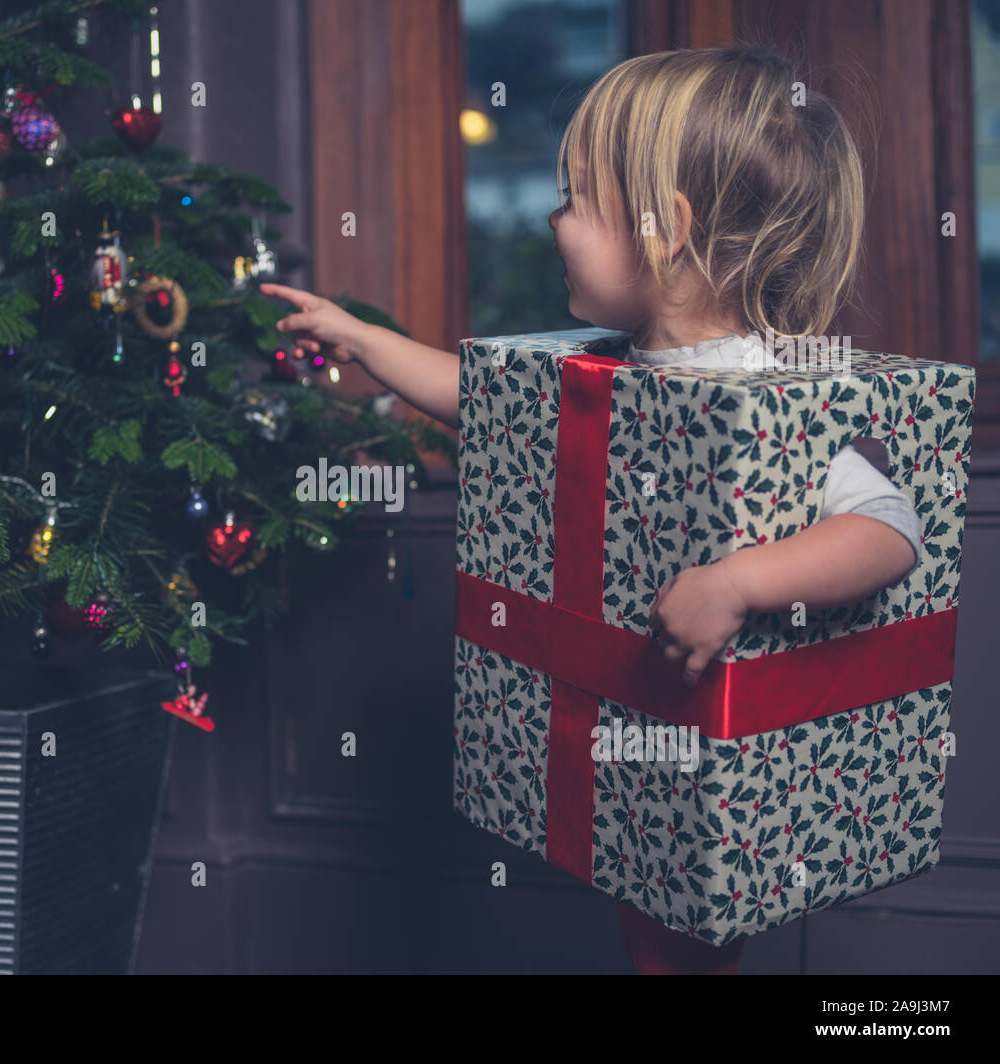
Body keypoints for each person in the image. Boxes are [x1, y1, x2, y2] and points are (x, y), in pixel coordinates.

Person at [260, 44, 921, 975]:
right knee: (649, 928)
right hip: (632, 746)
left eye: (574, 197)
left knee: (683, 948)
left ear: (666, 227)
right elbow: (481, 395)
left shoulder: (780, 382)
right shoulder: (607, 369)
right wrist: (365, 339)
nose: (550, 216)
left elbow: (889, 528)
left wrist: (739, 581)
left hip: (731, 762)